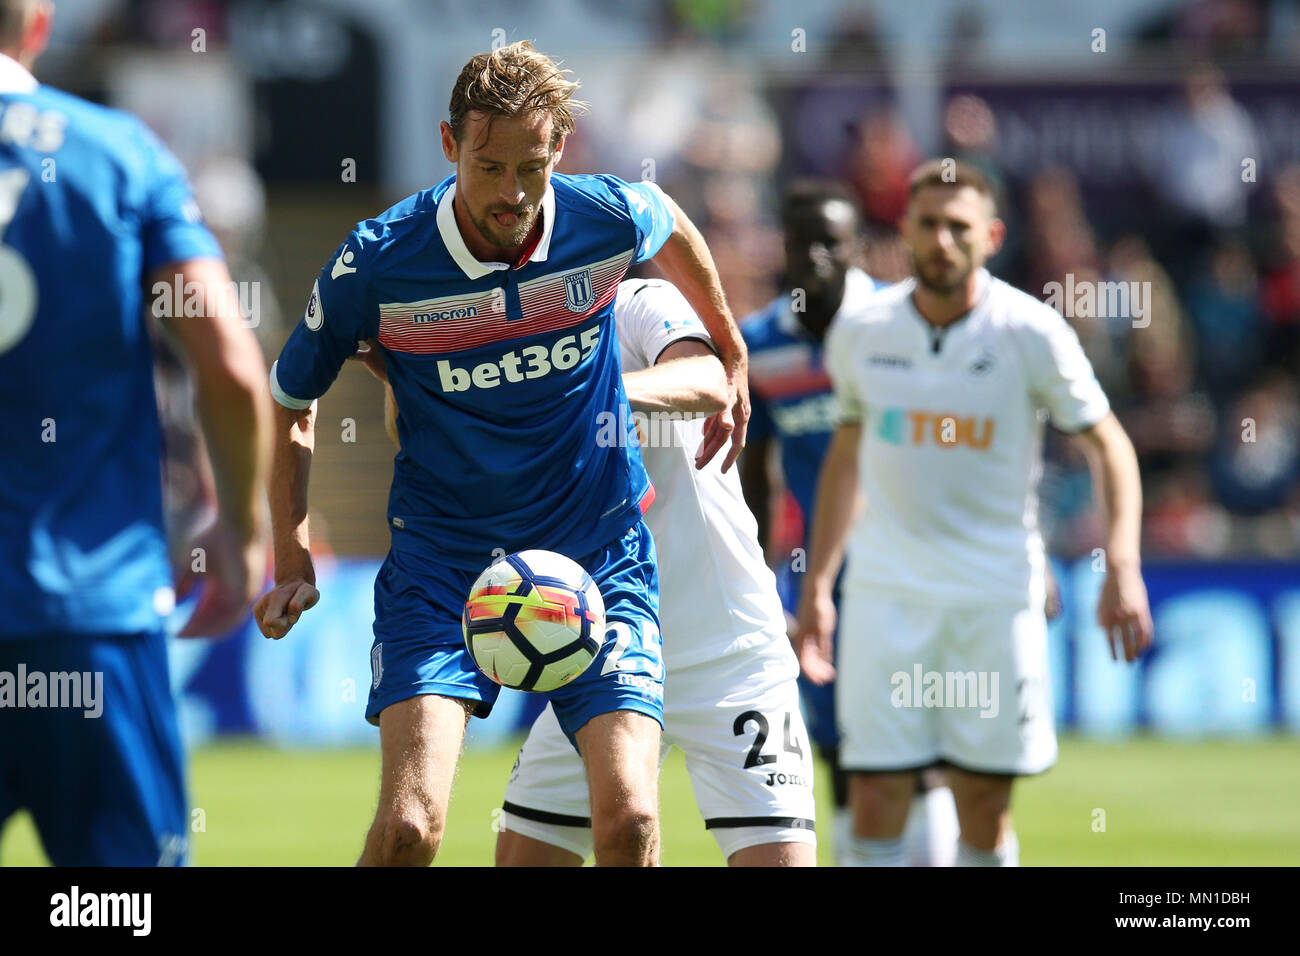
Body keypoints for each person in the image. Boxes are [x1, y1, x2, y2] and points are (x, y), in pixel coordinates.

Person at [254, 41, 749, 867]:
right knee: (411, 826)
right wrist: (290, 552)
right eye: (489, 166)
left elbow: (667, 215)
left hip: (597, 553)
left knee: (629, 820)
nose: (512, 193)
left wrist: (728, 350)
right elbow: (291, 402)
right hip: (442, 561)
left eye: (532, 166)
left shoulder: (602, 217)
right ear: (450, 144)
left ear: (559, 150)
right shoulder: (376, 262)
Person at [796, 159, 1153, 867]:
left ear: (990, 236)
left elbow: (1110, 446)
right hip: (885, 597)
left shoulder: (1031, 332)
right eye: (927, 224)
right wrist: (817, 585)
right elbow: (847, 456)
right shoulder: (862, 331)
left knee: (983, 805)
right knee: (873, 796)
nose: (941, 241)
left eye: (959, 227)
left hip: (993, 599)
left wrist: (1122, 566)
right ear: (904, 230)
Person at [0, 0, 270, 865]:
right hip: (86, 617)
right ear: (37, 27)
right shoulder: (116, 153)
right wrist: (243, 526)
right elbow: (227, 363)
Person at [492, 278, 816, 867]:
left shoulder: (640, 301)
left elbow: (706, 379)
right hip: (598, 649)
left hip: (729, 652)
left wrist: (582, 396)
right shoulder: (502, 345)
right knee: (525, 858)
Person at [738, 180, 958, 865]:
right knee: (833, 743)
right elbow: (756, 473)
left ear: (857, 247)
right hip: (817, 579)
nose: (819, 259)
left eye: (833, 244)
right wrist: (758, 574)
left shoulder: (901, 324)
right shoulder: (761, 343)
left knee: (917, 743)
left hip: (907, 563)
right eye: (805, 244)